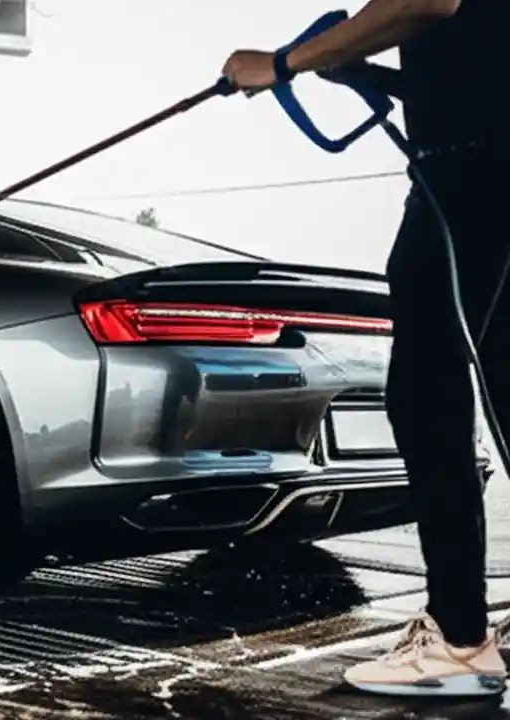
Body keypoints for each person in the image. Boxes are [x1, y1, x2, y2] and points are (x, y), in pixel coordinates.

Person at [221, 0, 510, 698]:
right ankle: (461, 634)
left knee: (424, 399)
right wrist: (368, 74)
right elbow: (475, 60)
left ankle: (459, 639)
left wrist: (282, 64)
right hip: (478, 166)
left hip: (472, 177)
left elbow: (425, 2)